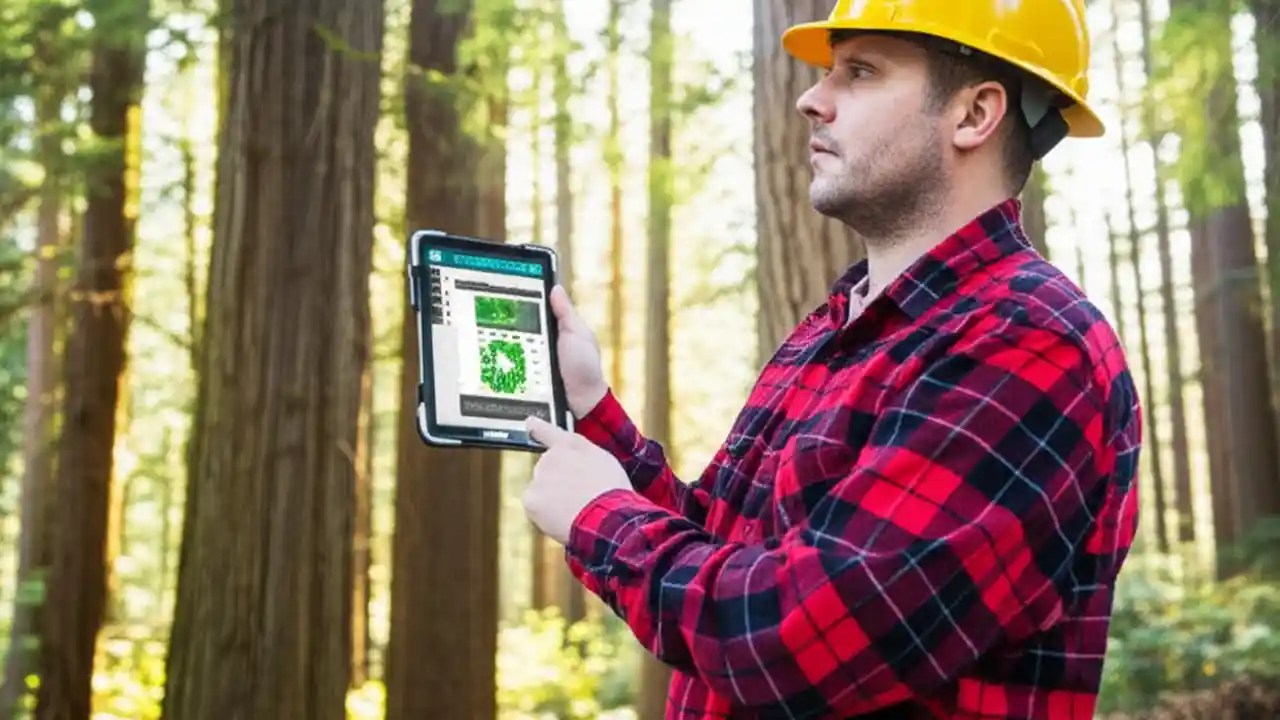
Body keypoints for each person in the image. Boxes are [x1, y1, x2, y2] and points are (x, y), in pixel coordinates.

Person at [521, 0, 1141, 717]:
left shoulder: (1029, 343)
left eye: (862, 72)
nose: (811, 100)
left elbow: (792, 637)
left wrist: (602, 517)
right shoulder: (840, 327)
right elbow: (724, 550)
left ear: (974, 115)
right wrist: (594, 412)